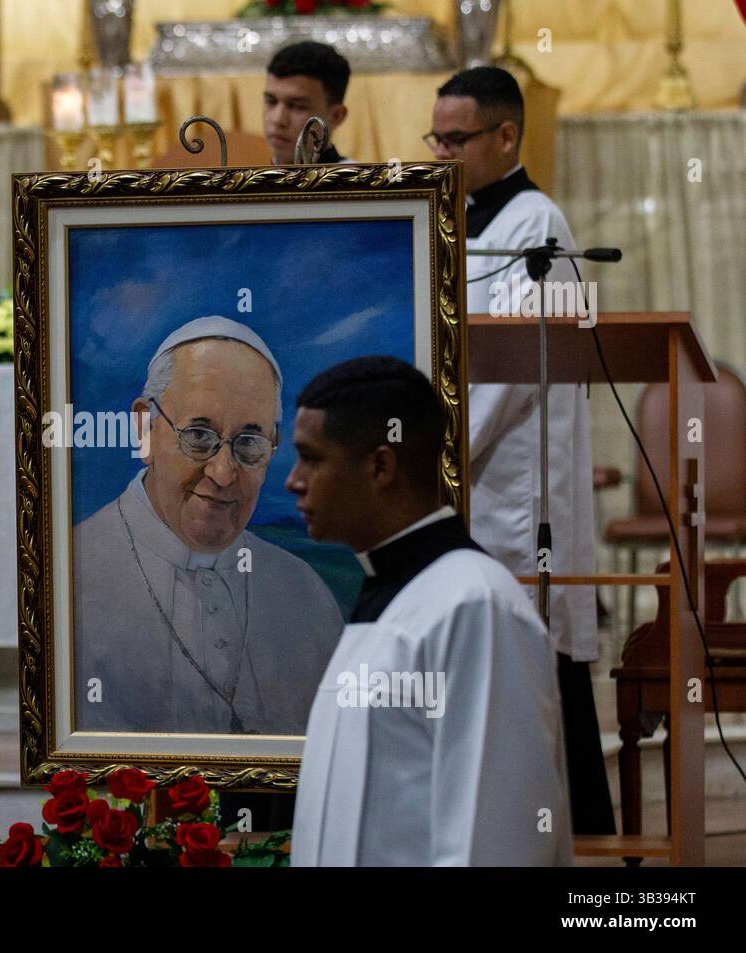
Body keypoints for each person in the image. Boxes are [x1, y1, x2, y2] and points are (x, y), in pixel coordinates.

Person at [287, 356, 571, 865]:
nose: (293, 480)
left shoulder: (473, 605)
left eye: (311, 458)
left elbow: (496, 837)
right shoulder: (388, 594)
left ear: (380, 466)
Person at [426, 66, 613, 835]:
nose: (440, 153)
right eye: (433, 136)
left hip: (510, 482)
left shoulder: (539, 225)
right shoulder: (459, 216)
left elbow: (512, 374)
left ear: (506, 136)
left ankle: (567, 840)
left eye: (456, 138)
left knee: (533, 667)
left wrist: (436, 462)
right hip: (471, 475)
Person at [74, 316, 343, 735]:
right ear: (145, 428)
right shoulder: (72, 577)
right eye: (198, 436)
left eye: (249, 444)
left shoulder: (304, 592)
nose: (222, 472)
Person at [263, 41, 352, 164]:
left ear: (336, 116)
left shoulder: (360, 182)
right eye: (271, 101)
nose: (278, 120)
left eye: (298, 107)